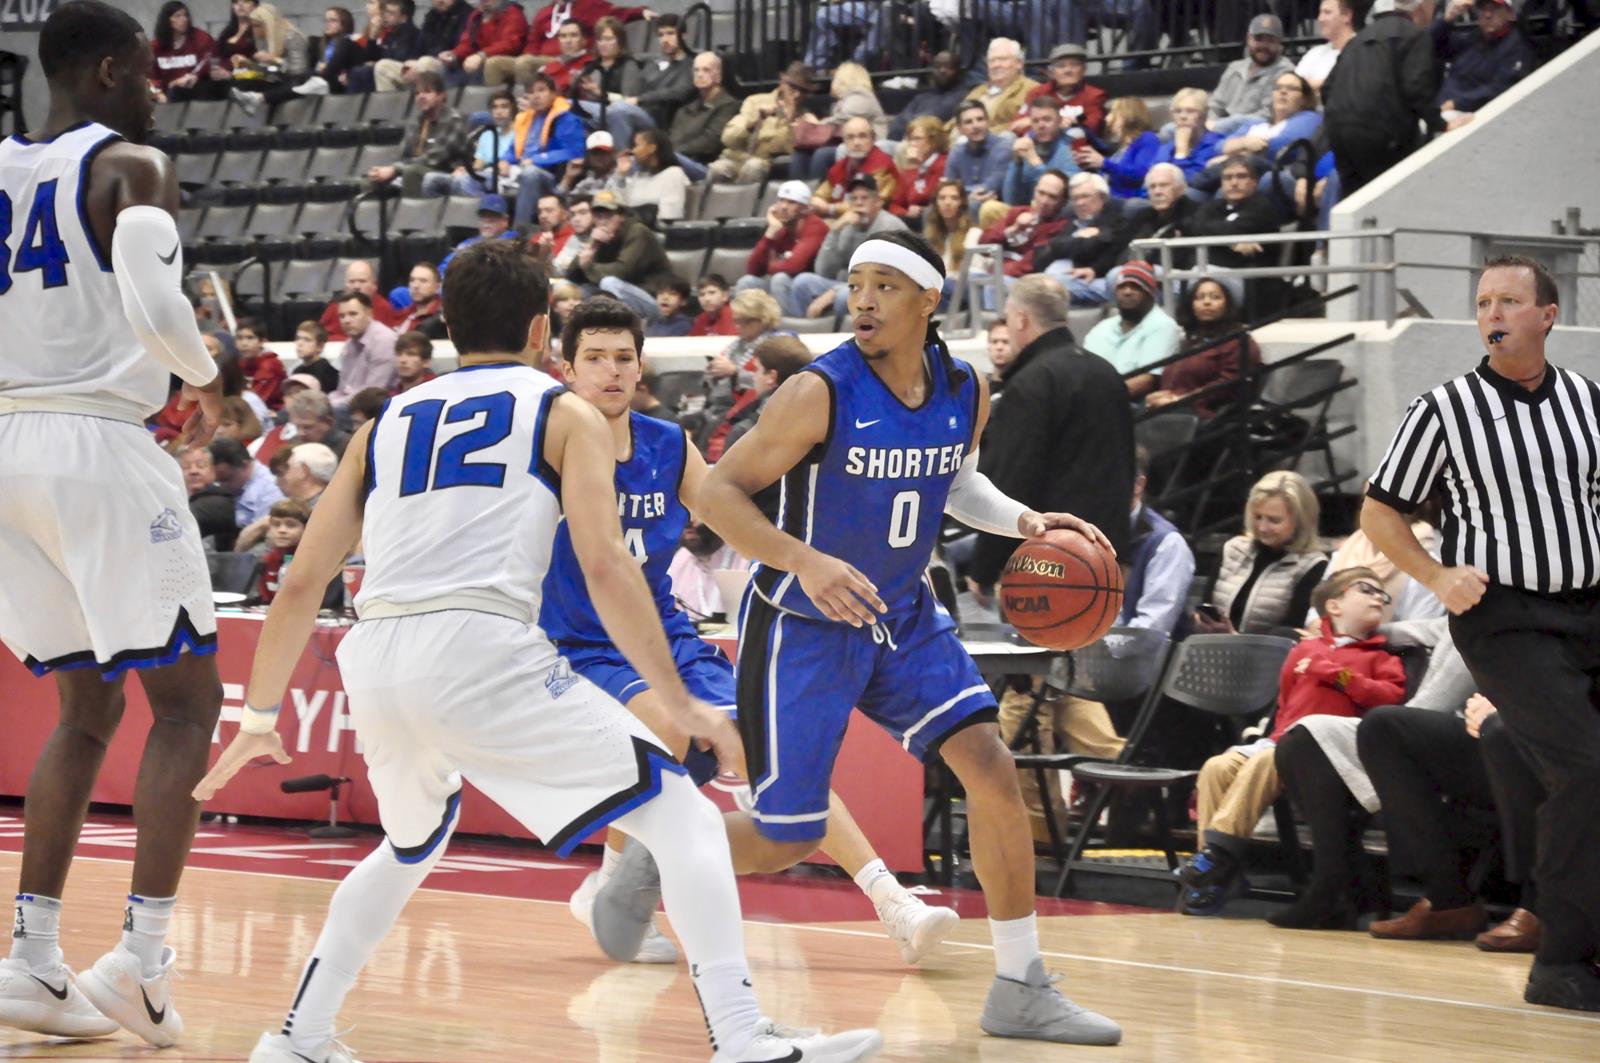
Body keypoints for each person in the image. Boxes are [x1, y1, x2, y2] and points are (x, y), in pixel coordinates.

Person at [197, 242, 882, 1063]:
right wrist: (678, 697)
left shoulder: (383, 424)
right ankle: (739, 1036)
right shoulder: (565, 413)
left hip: (375, 649)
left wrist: (262, 712)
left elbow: (304, 579)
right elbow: (606, 564)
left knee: (410, 843)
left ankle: (298, 1036)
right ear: (539, 330)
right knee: (689, 821)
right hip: (482, 642)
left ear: (447, 324)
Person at [684, 229, 1124, 1046]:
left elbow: (954, 482)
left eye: (886, 285)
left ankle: (1022, 985)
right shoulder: (818, 391)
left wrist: (1025, 518)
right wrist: (803, 559)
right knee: (785, 838)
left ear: (929, 300)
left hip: (903, 614)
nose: (863, 300)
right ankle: (660, 853)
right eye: (857, 284)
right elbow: (717, 493)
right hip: (804, 623)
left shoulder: (966, 386)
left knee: (991, 765)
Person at [545, 299, 959, 966]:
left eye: (623, 357)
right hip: (579, 643)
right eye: (594, 358)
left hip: (664, 634)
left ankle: (894, 903)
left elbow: (729, 514)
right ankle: (613, 881)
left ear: (641, 364)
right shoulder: (547, 446)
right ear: (566, 369)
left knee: (779, 754)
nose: (611, 371)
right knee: (685, 731)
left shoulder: (666, 443)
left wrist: (815, 555)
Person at [0, 2, 225, 1046]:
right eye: (144, 69)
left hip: (6, 449)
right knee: (185, 704)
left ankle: (33, 960)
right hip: (96, 440)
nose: (158, 86)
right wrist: (210, 375)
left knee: (85, 710)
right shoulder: (130, 165)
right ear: (102, 72)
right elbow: (148, 294)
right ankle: (140, 960)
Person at [1362, 254, 1600, 1011]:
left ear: (1547, 315)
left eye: (1508, 300)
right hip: (1505, 618)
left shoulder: (1591, 404)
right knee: (1587, 768)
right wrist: (1435, 576)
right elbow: (1379, 510)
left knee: (1582, 778)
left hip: (1590, 606)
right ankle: (1560, 960)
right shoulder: (1445, 408)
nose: (1492, 313)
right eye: (1483, 302)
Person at [1175, 567, 1406, 916]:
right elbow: (1287, 701)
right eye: (1367, 590)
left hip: (1328, 754)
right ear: (1335, 605)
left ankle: (1217, 859)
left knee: (1273, 757)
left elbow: (1389, 698)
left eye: (1383, 595)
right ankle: (1219, 875)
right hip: (1282, 739)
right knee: (1217, 767)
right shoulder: (1304, 650)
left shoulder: (1381, 656)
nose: (1379, 597)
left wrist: (1338, 675)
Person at [969, 273, 1135, 601]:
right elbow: (1125, 468)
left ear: (1020, 319)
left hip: (1046, 558)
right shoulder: (1106, 372)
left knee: (1039, 651)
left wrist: (984, 565)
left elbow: (1013, 478)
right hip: (1104, 553)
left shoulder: (1033, 381)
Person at [1359, 692, 1545, 946]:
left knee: (1502, 729)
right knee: (1382, 727)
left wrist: (1517, 705)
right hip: (1508, 721)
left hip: (1562, 730)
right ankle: (1447, 899)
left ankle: (1542, 905)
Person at [1322, 0, 1460, 196]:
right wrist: (1440, 124)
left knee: (1353, 201)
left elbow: (1328, 88)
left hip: (1338, 130)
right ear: (1420, 8)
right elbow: (1416, 88)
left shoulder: (1358, 39)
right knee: (1385, 200)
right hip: (1381, 135)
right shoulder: (1416, 35)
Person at [1196, 470, 1329, 636]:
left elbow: (1292, 632)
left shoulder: (1313, 565)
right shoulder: (1232, 549)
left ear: (1300, 521)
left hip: (1270, 658)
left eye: (1274, 520)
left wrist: (1235, 639)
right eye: (1258, 517)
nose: (1262, 527)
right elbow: (1206, 604)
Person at [776, 175, 908, 322]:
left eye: (864, 198)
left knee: (844, 296)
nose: (859, 203)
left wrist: (835, 291)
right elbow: (824, 270)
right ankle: (802, 332)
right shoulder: (848, 224)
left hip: (885, 288)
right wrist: (836, 229)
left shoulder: (889, 227)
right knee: (803, 282)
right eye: (854, 199)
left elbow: (884, 278)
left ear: (878, 202)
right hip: (850, 284)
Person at [1146, 275, 1261, 418]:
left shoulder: (1239, 341)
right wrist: (1159, 396)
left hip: (1209, 416)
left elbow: (1229, 384)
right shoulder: (1188, 340)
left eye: (1215, 297)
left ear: (1227, 304)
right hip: (1175, 409)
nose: (1207, 302)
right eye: (1199, 297)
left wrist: (1180, 400)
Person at [569, 190, 675, 323]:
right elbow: (571, 275)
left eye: (608, 216)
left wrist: (588, 267)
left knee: (609, 283)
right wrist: (592, 244)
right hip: (622, 299)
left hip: (654, 299)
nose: (602, 221)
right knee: (572, 289)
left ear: (622, 216)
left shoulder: (637, 232)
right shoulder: (597, 234)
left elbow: (622, 271)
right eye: (598, 216)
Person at [1081, 260, 1182, 395]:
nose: (1127, 292)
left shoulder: (1163, 326)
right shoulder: (1101, 328)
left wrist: (1097, 399)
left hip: (1135, 406)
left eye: (1136, 287)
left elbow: (1147, 381)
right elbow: (1081, 372)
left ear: (1150, 293)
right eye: (1122, 287)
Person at [503, 73, 587, 226]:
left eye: (541, 90)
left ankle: (520, 233)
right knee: (471, 179)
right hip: (518, 170)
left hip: (549, 177)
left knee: (530, 172)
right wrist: (504, 161)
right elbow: (513, 149)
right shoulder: (525, 118)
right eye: (531, 92)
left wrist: (536, 160)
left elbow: (574, 152)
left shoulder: (566, 119)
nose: (536, 96)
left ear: (554, 94)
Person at [709, 61, 808, 185]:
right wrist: (754, 122)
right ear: (783, 83)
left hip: (762, 162)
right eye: (793, 87)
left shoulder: (804, 117)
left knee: (753, 167)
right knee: (718, 169)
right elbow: (728, 138)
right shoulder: (755, 101)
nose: (797, 94)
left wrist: (789, 120)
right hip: (735, 158)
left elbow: (784, 148)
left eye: (803, 91)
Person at [1434, 0, 1537, 115]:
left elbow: (1499, 87)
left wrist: (1456, 103)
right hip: (1440, 105)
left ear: (1510, 14)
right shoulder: (1472, 38)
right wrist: (1446, 21)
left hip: (1474, 114)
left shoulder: (1517, 47)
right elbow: (1431, 48)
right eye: (1482, 9)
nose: (1487, 15)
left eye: (1495, 9)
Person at [1207, 13, 1295, 135]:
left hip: (1253, 134)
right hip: (1217, 130)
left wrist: (1219, 126)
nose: (1264, 46)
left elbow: (1268, 115)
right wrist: (1209, 125)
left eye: (1270, 41)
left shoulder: (1285, 72)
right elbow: (1215, 105)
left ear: (1280, 44)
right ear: (1249, 38)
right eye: (1259, 39)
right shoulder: (1234, 67)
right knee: (1172, 129)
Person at [977, 169, 1071, 282]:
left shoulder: (1061, 227)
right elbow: (983, 247)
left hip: (1020, 283)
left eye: (1052, 197)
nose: (1044, 201)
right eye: (1041, 193)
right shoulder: (1018, 212)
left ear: (1063, 201)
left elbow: (1029, 265)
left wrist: (995, 275)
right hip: (994, 276)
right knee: (953, 284)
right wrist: (1013, 229)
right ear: (1034, 191)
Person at [738, 180, 830, 294]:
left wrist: (771, 264)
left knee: (780, 279)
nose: (784, 207)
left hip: (810, 287)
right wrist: (770, 234)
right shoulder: (779, 227)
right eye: (781, 201)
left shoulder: (815, 226)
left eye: (792, 202)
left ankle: (788, 313)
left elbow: (793, 267)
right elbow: (753, 270)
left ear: (805, 208)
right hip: (788, 285)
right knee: (747, 282)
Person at [811, 117, 899, 222]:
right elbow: (819, 196)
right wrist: (819, 203)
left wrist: (830, 208)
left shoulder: (882, 165)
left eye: (862, 136)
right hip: (843, 221)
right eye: (850, 137)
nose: (856, 142)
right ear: (844, 141)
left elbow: (866, 206)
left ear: (873, 139)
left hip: (874, 223)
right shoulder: (841, 166)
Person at [1076, 97, 1161, 200]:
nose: (1107, 119)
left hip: (1129, 200)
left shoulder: (1148, 139)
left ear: (1126, 115)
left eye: (1112, 113)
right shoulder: (1120, 148)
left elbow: (1141, 175)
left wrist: (1104, 164)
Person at [373, 0, 469, 91]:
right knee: (383, 66)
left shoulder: (465, 14)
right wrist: (411, 63)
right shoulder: (432, 16)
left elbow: (459, 48)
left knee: (425, 62)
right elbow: (420, 45)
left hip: (451, 67)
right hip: (422, 63)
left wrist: (422, 62)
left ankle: (428, 103)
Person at [671, 52, 739, 178]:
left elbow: (710, 142)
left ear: (719, 75)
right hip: (680, 160)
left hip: (706, 165)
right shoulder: (684, 110)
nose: (700, 74)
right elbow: (674, 138)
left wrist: (672, 153)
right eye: (696, 70)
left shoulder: (729, 106)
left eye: (706, 70)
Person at [1000, 96, 1076, 208]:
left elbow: (1066, 197)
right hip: (1027, 213)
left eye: (1047, 120)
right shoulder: (1026, 148)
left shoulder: (1070, 149)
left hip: (1057, 216)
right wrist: (1017, 164)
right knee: (991, 208)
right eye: (1035, 121)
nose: (1041, 125)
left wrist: (1036, 163)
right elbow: (1010, 200)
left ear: (1059, 121)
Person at [945, 101, 1014, 224]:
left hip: (997, 207)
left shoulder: (1004, 147)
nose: (976, 125)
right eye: (968, 122)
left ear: (988, 122)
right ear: (960, 129)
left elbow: (990, 187)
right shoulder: (957, 152)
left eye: (980, 119)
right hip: (966, 201)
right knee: (931, 211)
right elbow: (948, 187)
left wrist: (962, 195)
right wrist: (965, 196)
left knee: (975, 204)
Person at [1019, 43, 1106, 137]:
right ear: (1051, 72)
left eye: (1074, 65)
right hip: (1037, 144)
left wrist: (1037, 122)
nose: (1068, 70)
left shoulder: (1095, 95)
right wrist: (1058, 122)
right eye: (1061, 66)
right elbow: (1017, 125)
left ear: (1084, 69)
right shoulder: (1037, 93)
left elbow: (1092, 126)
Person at [329, 292, 400, 405]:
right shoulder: (349, 344)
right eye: (342, 316)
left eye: (353, 314)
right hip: (350, 404)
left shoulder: (384, 340)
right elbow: (342, 390)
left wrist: (332, 404)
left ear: (369, 314)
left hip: (376, 406)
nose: (346, 320)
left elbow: (372, 393)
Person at [955, 38, 1037, 132]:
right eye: (992, 60)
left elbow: (1028, 123)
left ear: (1019, 63)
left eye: (1003, 59)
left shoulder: (1032, 90)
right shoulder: (977, 91)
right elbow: (956, 119)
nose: (996, 65)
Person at [631, 14, 695, 129]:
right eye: (661, 35)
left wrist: (639, 99)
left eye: (671, 33)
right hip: (641, 113)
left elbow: (679, 92)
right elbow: (634, 91)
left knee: (619, 111)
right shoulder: (652, 64)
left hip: (667, 122)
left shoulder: (692, 64)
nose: (665, 40)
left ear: (683, 36)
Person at [888, 51, 971, 140]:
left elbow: (933, 116)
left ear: (958, 71)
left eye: (948, 67)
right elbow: (900, 119)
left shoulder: (962, 96)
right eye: (937, 67)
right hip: (906, 143)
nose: (942, 70)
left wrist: (909, 123)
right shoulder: (922, 97)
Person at [613, 128, 690, 221]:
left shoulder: (673, 174)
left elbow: (669, 216)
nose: (633, 151)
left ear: (651, 148)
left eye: (637, 145)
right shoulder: (640, 176)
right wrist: (621, 175)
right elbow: (621, 204)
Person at [211, 436, 285, 530]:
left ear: (245, 465)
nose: (222, 486)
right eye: (218, 481)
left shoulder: (270, 489)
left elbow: (264, 533)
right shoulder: (228, 487)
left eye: (227, 479)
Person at [319, 260, 404, 340]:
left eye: (362, 281)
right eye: (351, 282)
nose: (356, 286)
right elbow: (320, 336)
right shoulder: (334, 308)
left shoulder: (386, 309)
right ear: (345, 285)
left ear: (375, 285)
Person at [149, 1, 216, 103]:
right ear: (167, 20)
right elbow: (150, 76)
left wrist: (191, 77)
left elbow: (209, 58)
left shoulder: (201, 38)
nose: (184, 19)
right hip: (166, 97)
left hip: (196, 92)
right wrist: (158, 93)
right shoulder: (155, 46)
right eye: (177, 16)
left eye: (185, 15)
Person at [1153, 88, 1222, 183]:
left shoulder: (1217, 144)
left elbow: (1192, 182)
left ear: (1204, 115)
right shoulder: (1167, 148)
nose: (1183, 116)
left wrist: (1181, 152)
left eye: (1190, 111)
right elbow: (1153, 180)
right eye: (1177, 111)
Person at [180, 444, 238, 551]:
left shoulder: (220, 500)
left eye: (201, 465)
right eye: (186, 467)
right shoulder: (180, 499)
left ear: (213, 470)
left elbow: (181, 522)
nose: (193, 471)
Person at [890, 117, 949, 222]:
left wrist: (914, 167)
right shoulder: (911, 169)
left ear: (933, 141)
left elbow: (925, 196)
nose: (912, 144)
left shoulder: (944, 164)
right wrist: (906, 212)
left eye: (917, 139)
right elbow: (894, 204)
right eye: (910, 139)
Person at [1297, 0, 1359, 92]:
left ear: (1347, 15)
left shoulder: (1362, 50)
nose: (1320, 19)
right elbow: (1293, 85)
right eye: (1320, 13)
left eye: (1327, 12)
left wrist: (1309, 87)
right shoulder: (1314, 53)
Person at [290, 320, 339, 395]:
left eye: (307, 340)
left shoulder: (328, 373)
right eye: (298, 338)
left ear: (320, 346)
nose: (300, 343)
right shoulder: (297, 371)